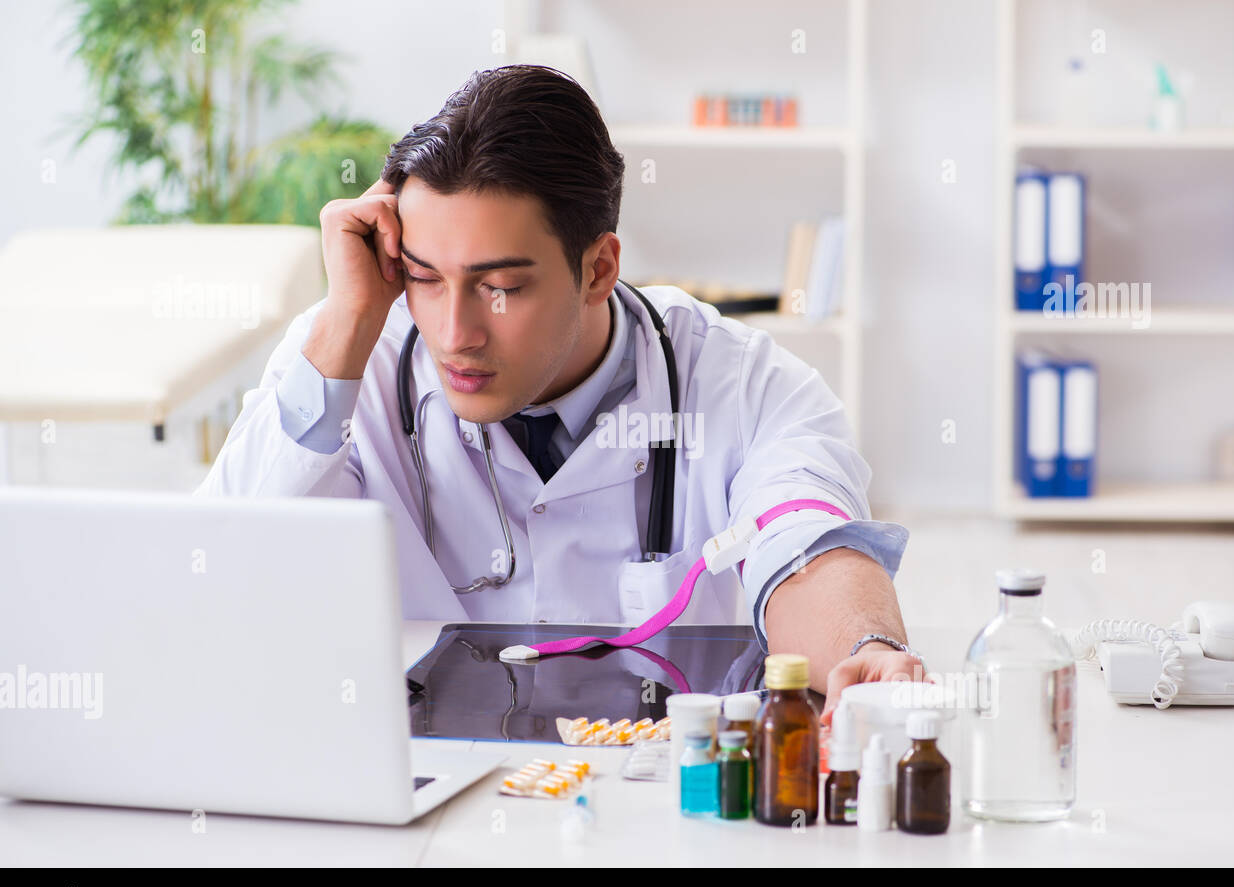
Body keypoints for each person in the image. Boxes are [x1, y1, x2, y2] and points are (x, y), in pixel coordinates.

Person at [196, 64, 921, 712]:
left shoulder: (742, 383)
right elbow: (225, 579)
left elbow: (805, 544)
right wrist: (347, 318)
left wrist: (867, 651)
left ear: (599, 268)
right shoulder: (347, 358)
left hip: (648, 801)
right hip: (419, 794)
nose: (455, 332)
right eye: (422, 277)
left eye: (502, 287)